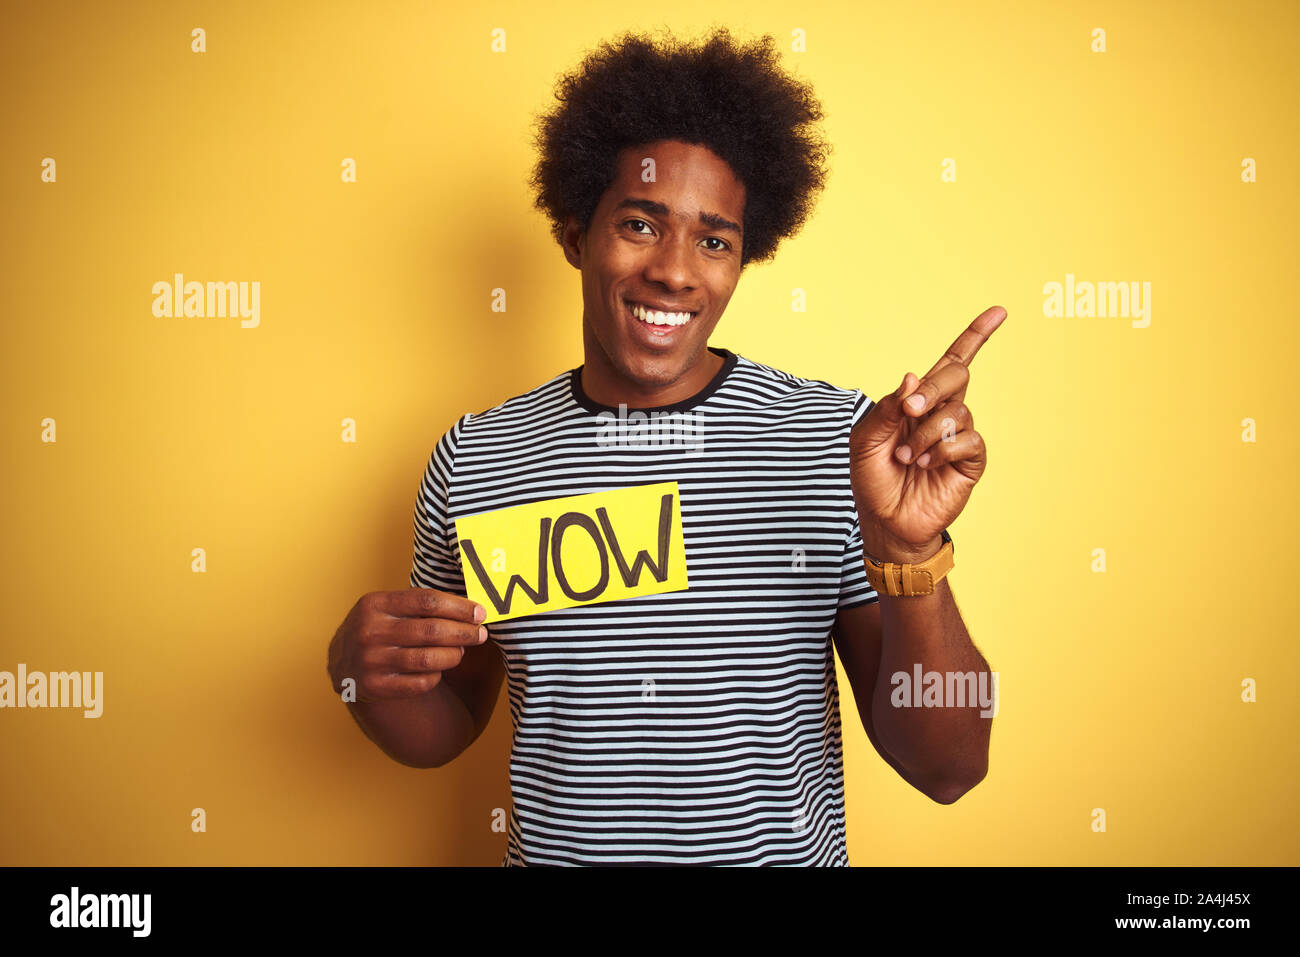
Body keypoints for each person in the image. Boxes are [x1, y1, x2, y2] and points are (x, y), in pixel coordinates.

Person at [327, 26, 997, 866]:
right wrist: (363, 680)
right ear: (575, 233)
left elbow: (948, 766)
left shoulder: (837, 444)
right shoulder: (478, 456)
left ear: (742, 260)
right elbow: (447, 725)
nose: (676, 271)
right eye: (641, 224)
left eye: (714, 240)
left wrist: (910, 546)